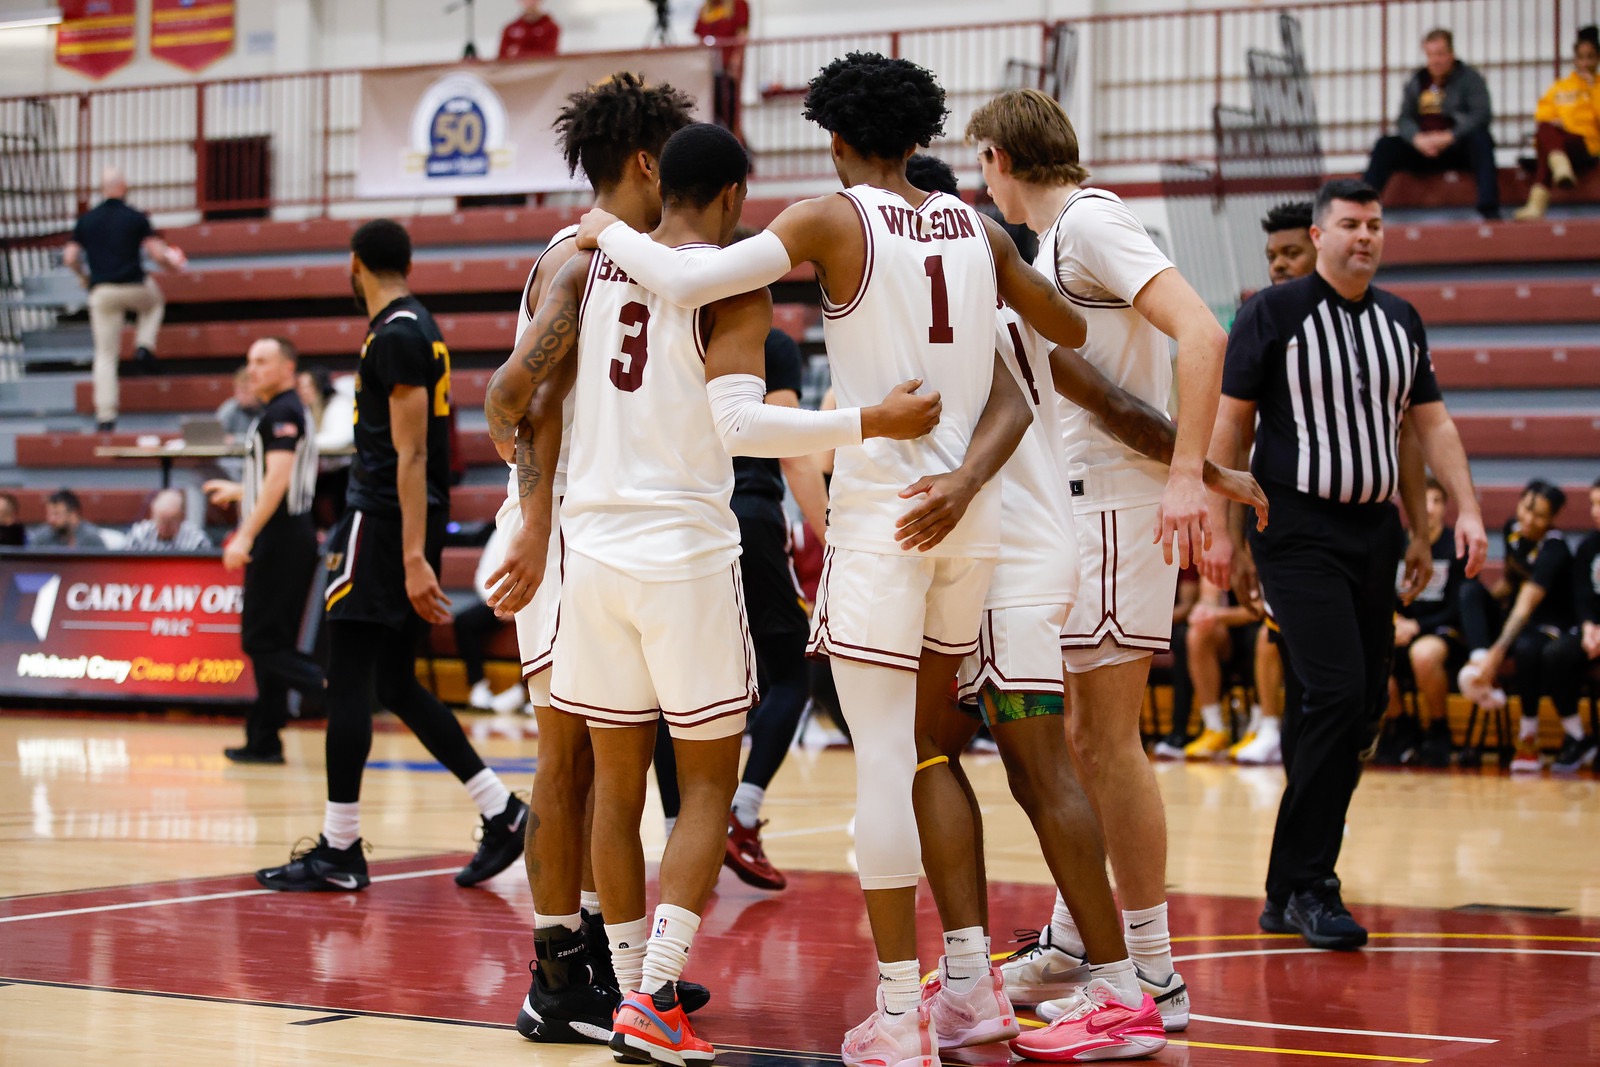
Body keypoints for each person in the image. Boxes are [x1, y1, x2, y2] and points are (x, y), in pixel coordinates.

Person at [572, 54, 1124, 1067]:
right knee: (926, 750)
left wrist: (604, 229)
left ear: (833, 135)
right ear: (919, 135)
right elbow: (1069, 325)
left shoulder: (832, 218)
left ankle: (900, 1014)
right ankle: (966, 987)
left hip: (883, 521)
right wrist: (995, 296)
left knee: (885, 760)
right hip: (968, 520)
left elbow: (689, 276)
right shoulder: (977, 227)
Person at [488, 120, 941, 1067]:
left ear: (664, 184)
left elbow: (512, 396)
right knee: (705, 785)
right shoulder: (735, 280)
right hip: (685, 555)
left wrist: (530, 516)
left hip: (591, 553)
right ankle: (653, 992)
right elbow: (741, 426)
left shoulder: (585, 269)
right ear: (734, 196)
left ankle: (626, 987)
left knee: (615, 787)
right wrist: (871, 421)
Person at [965, 87, 1226, 1032]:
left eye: (980, 163)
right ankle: (1081, 939)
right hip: (1085, 500)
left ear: (998, 158)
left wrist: (1189, 473)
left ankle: (1152, 971)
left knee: (1109, 745)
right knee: (1084, 738)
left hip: (1116, 502)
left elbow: (1203, 331)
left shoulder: (1089, 222)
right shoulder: (1058, 241)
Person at [1204, 177, 1488, 951]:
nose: (1366, 236)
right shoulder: (1272, 313)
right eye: (1352, 224)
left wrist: (1452, 514)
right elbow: (1231, 428)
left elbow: (1429, 426)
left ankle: (1284, 887)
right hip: (1295, 526)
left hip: (1375, 530)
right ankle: (1310, 883)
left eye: (1375, 224)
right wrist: (1223, 533)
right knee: (1333, 692)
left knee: (1359, 707)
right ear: (1321, 235)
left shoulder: (1401, 319)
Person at [474, 72, 700, 1048]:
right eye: (673, 165)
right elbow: (516, 398)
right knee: (567, 756)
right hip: (563, 529)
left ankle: (607, 961)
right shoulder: (576, 257)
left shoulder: (633, 256)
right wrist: (533, 524)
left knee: (615, 758)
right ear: (646, 163)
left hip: (602, 525)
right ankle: (555, 972)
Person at [254, 219, 527, 893]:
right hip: (397, 524)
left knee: (347, 679)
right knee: (395, 682)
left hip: (381, 524)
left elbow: (410, 453)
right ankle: (502, 811)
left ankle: (340, 848)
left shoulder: (398, 332)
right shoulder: (410, 326)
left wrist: (410, 556)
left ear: (355, 264)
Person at [203, 337, 324, 764]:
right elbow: (278, 477)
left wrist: (245, 535)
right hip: (289, 531)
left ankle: (331, 689)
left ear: (288, 367)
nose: (252, 369)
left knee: (260, 641)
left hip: (281, 535)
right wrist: (241, 489)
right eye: (249, 361)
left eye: (261, 361)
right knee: (272, 639)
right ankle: (264, 739)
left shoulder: (281, 412)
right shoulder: (286, 410)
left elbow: (279, 480)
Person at [1458, 480, 1587, 774]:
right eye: (1526, 509)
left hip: (1547, 623)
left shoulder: (1554, 549)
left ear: (1553, 518)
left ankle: (1528, 735)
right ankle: (1478, 663)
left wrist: (1498, 653)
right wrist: (1482, 612)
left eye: (1539, 515)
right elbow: (1510, 582)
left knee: (1526, 648)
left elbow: (1526, 604)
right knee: (1469, 591)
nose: (1528, 519)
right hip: (1519, 616)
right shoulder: (1512, 530)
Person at [61, 166, 187, 430]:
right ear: (124, 187)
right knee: (155, 303)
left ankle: (105, 416)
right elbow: (157, 254)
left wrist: (83, 277)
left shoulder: (87, 220)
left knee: (105, 355)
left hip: (102, 291)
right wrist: (173, 266)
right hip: (134, 286)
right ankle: (144, 345)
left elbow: (70, 258)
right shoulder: (136, 217)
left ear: (101, 189)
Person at [1362, 29, 1499, 221]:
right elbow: (1404, 118)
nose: (1435, 60)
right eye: (1430, 55)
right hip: (1423, 149)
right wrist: (1417, 139)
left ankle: (1489, 210)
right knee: (1385, 145)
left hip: (1457, 148)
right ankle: (1361, 208)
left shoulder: (1470, 78)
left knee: (1482, 140)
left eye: (1440, 54)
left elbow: (1481, 115)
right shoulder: (1418, 80)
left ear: (1451, 54)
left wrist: (1450, 136)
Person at [1384, 476, 1466, 768]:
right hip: (1400, 628)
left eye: (1436, 501)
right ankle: (1400, 726)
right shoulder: (1395, 543)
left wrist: (1419, 626)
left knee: (1423, 654)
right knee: (1370, 653)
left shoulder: (1455, 545)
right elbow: (1379, 592)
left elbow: (1461, 605)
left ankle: (1438, 728)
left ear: (1445, 507)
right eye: (1422, 500)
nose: (1429, 508)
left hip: (1443, 629)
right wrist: (1394, 622)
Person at [1516, 25, 1600, 220]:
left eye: (1590, 57)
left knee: (1546, 143)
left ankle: (1537, 203)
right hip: (1561, 141)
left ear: (1597, 59)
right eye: (1581, 57)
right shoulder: (1560, 87)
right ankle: (1560, 165)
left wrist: (1592, 89)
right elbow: (1543, 114)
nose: (1585, 63)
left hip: (1587, 144)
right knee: (1545, 129)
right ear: (1575, 60)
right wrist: (1558, 124)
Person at [453, 521, 531, 714]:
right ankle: (478, 686)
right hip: (500, 602)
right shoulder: (501, 531)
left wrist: (518, 605)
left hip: (532, 603)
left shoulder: (542, 530)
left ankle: (524, 691)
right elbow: (483, 575)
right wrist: (500, 602)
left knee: (543, 628)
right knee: (465, 622)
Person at [1567, 476, 1600, 772]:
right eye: (1593, 503)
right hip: (1593, 631)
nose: (1595, 511)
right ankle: (1577, 735)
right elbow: (1580, 592)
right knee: (1555, 656)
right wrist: (1589, 626)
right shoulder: (1589, 546)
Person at [693, 0, 749, 136]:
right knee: (712, 110)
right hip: (709, 68)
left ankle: (734, 140)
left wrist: (735, 61)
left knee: (730, 111)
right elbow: (700, 39)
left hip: (728, 68)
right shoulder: (704, 9)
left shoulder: (738, 5)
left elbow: (741, 36)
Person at [123, 488, 211, 552]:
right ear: (153, 515)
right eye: (161, 521)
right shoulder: (139, 535)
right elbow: (128, 566)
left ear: (182, 518)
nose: (165, 527)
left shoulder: (196, 540)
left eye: (170, 521)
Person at [30, 489, 111, 549]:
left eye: (56, 514)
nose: (51, 520)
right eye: (49, 514)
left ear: (73, 514)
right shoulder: (42, 536)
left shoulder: (91, 538)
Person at [217, 366, 262, 441]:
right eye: (238, 391)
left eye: (245, 391)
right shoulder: (228, 410)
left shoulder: (268, 408)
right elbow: (219, 438)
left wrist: (235, 439)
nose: (240, 396)